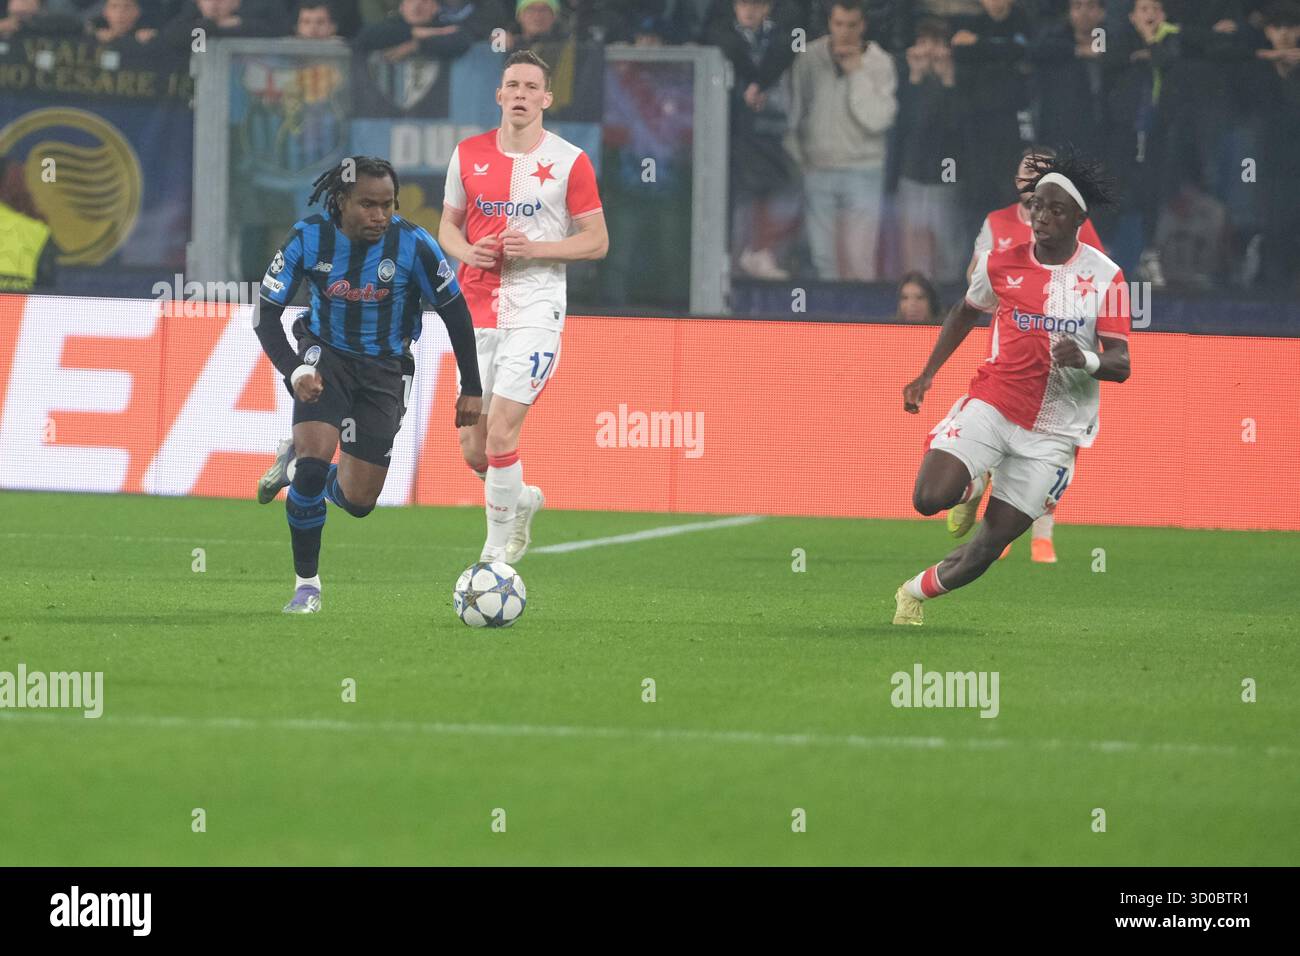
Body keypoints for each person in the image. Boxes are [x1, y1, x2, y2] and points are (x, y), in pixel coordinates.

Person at [895, 151, 1131, 626]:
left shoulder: (1108, 278)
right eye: (1036, 207)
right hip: (995, 404)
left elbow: (1120, 364)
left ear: (1080, 219)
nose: (1041, 218)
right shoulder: (1000, 263)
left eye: (1055, 209)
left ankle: (911, 594)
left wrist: (1083, 358)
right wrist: (928, 373)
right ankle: (972, 483)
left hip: (1056, 433)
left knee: (988, 547)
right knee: (927, 499)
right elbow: (966, 310)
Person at [252, 156, 484, 613]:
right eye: (368, 205)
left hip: (386, 370)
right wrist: (294, 370)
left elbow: (456, 314)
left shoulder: (414, 246)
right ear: (341, 202)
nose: (380, 216)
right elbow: (265, 314)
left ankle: (296, 467)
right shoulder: (308, 238)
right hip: (326, 357)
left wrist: (471, 385)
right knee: (316, 464)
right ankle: (307, 587)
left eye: (388, 205)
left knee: (359, 501)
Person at [437, 49, 608, 563]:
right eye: (512, 85)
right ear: (499, 94)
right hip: (476, 313)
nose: (520, 95)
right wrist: (468, 251)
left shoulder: (569, 161)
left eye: (532, 87)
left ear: (546, 98)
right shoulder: (466, 154)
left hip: (535, 310)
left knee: (504, 429)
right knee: (475, 449)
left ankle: (493, 557)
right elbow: (447, 225)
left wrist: (538, 249)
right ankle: (522, 498)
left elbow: (597, 241)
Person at [958, 144, 1107, 563]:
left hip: (1063, 359)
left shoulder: (1073, 226)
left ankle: (1044, 534)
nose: (1035, 177)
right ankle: (992, 521)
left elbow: (1098, 273)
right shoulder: (998, 222)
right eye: (1029, 169)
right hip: (1014, 355)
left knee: (1051, 445)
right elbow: (975, 276)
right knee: (1007, 433)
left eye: (1045, 170)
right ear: (1017, 179)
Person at [785, 0, 896, 281]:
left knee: (860, 259)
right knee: (823, 258)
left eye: (851, 25)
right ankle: (828, 321)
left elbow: (877, 120)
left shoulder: (879, 62)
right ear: (829, 23)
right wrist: (801, 159)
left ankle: (862, 321)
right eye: (838, 24)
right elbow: (794, 113)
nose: (844, 31)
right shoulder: (809, 57)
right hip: (817, 168)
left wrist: (857, 72)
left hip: (864, 170)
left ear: (863, 25)